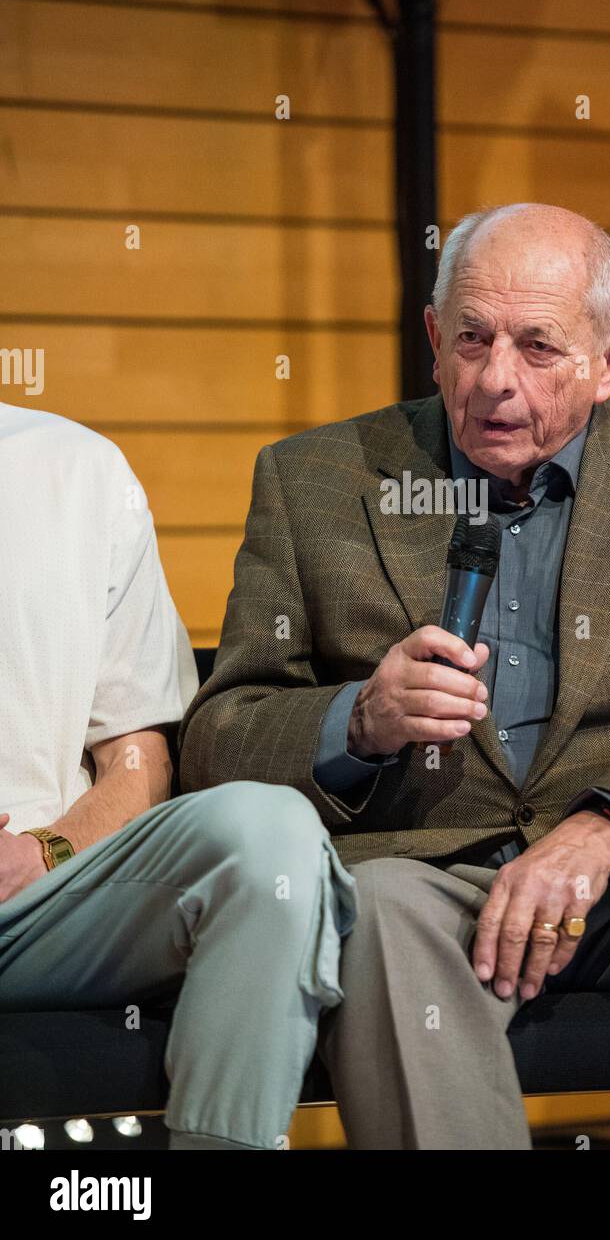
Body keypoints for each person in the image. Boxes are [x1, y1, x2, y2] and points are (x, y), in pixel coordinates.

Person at [179, 202, 610, 1149]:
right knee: (373, 907)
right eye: (470, 339)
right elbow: (218, 742)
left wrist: (605, 828)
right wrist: (359, 719)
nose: (495, 381)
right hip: (430, 893)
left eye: (538, 348)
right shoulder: (316, 480)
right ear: (432, 337)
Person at [0, 403, 356, 1150]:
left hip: (39, 905)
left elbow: (139, 752)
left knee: (269, 834)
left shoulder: (79, 469)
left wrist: (49, 850)